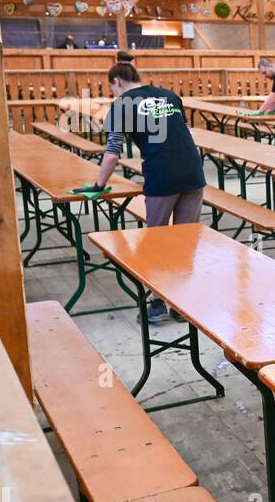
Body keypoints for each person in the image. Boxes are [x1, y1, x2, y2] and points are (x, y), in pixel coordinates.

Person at [88, 53, 207, 324]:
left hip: (161, 176)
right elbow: (185, 134)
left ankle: (156, 303)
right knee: (184, 240)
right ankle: (181, 305)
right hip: (193, 173)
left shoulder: (122, 105)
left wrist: (98, 185)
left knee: (156, 241)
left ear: (116, 81)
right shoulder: (169, 96)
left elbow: (112, 153)